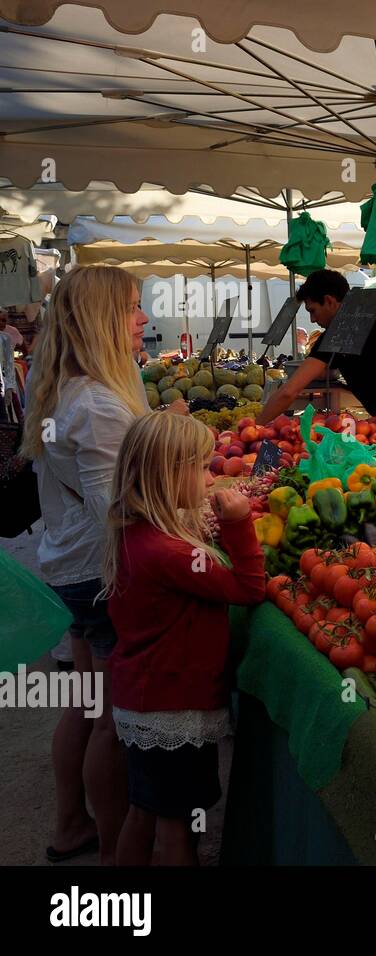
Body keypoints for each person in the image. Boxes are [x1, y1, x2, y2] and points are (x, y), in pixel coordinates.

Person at [21, 265, 151, 865]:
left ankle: (70, 824)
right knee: (108, 721)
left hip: (67, 568)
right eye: (130, 309)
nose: (143, 319)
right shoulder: (99, 404)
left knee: (83, 703)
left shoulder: (62, 387)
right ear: (101, 320)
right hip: (98, 576)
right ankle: (115, 851)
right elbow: (116, 515)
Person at [104, 413, 265, 866]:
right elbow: (249, 589)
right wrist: (239, 524)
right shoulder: (173, 553)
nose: (211, 475)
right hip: (175, 705)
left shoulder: (136, 534)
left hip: (142, 700)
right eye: (199, 467)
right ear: (167, 476)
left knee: (144, 810)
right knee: (180, 824)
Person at [255, 270, 376, 442]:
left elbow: (290, 391)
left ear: (330, 300)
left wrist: (256, 428)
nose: (313, 319)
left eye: (312, 310)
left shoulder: (338, 335)